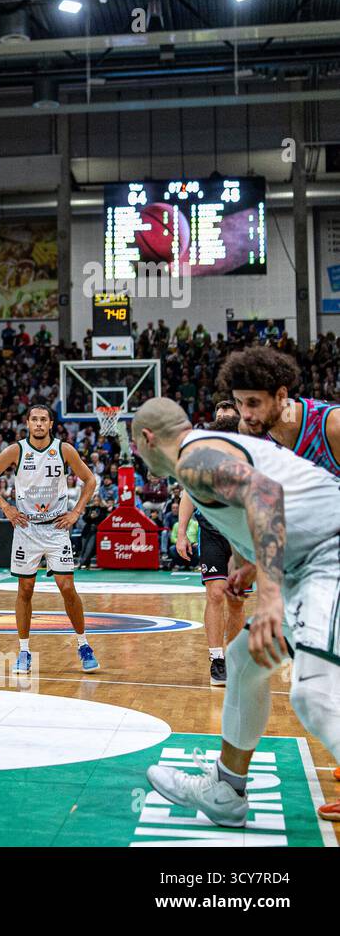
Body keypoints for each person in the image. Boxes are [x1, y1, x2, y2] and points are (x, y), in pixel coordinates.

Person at [133, 397, 340, 828]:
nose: (137, 454)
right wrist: (253, 563)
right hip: (310, 558)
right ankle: (226, 790)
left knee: (314, 693)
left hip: (328, 557)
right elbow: (283, 498)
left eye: (135, 446)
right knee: (245, 662)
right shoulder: (205, 452)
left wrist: (268, 596)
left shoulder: (195, 460)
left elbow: (265, 493)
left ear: (147, 439)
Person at [0, 403, 100, 675]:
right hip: (27, 529)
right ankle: (24, 650)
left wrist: (77, 511)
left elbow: (90, 480)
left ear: (51, 424)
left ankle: (84, 645)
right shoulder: (16, 450)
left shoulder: (64, 450)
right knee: (25, 590)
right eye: (34, 419)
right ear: (28, 423)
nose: (39, 424)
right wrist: (6, 507)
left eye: (43, 419)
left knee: (67, 587)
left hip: (56, 528)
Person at [174, 402, 247, 686]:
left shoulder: (253, 450)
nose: (224, 422)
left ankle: (236, 657)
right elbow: (189, 494)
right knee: (215, 594)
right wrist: (182, 533)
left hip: (242, 532)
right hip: (212, 529)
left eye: (229, 419)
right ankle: (217, 658)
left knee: (236, 600)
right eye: (220, 419)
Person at [219, 345, 340, 477]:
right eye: (239, 402)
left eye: (253, 403)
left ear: (281, 396)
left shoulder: (333, 427)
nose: (245, 414)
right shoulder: (247, 429)